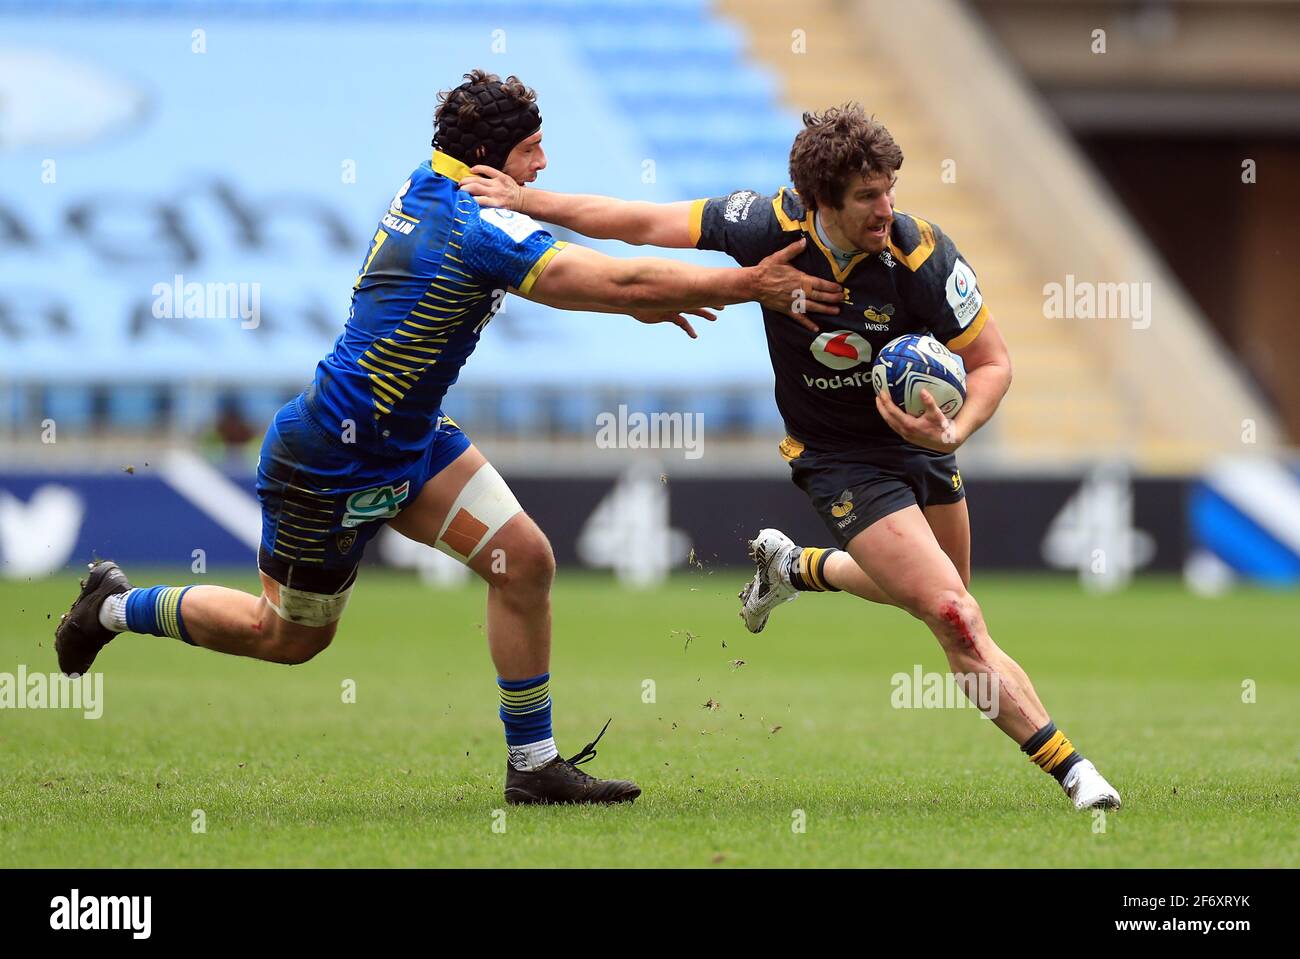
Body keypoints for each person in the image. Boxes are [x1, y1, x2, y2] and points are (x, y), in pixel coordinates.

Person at [54, 71, 842, 807]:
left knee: (525, 559)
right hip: (327, 457)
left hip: (413, 440)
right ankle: (116, 606)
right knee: (287, 639)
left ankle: (532, 766)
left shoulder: (425, 183)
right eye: (531, 148)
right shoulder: (472, 221)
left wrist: (629, 299)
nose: (542, 162)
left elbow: (592, 282)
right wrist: (748, 282)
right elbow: (615, 279)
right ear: (487, 158)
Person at [459, 103, 1121, 810]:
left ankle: (794, 566)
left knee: (946, 599)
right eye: (868, 196)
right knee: (956, 616)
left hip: (922, 447)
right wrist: (523, 200)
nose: (886, 208)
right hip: (840, 460)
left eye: (890, 188)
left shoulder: (921, 254)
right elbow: (640, 221)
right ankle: (1075, 772)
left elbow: (991, 362)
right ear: (819, 203)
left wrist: (955, 434)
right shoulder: (761, 224)